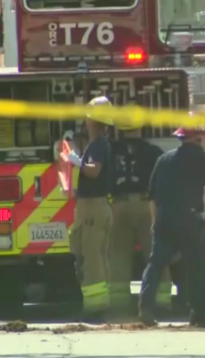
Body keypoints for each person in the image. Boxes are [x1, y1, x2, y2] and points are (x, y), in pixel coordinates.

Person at [138, 125, 205, 327]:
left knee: (156, 264)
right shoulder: (203, 160)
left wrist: (155, 223)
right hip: (189, 219)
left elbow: (152, 198)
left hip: (164, 216)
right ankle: (198, 313)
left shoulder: (163, 160)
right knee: (197, 265)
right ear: (200, 138)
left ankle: (145, 309)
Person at [108, 112, 172, 318]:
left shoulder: (110, 149)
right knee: (155, 254)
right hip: (146, 206)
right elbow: (164, 180)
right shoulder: (153, 152)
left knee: (118, 256)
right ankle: (162, 302)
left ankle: (119, 305)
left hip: (118, 205)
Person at [66, 96, 115, 318]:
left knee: (92, 256)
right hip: (97, 206)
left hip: (93, 209)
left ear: (93, 120)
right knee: (97, 255)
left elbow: (93, 171)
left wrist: (75, 160)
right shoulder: (99, 144)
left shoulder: (97, 145)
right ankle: (101, 303)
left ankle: (95, 308)